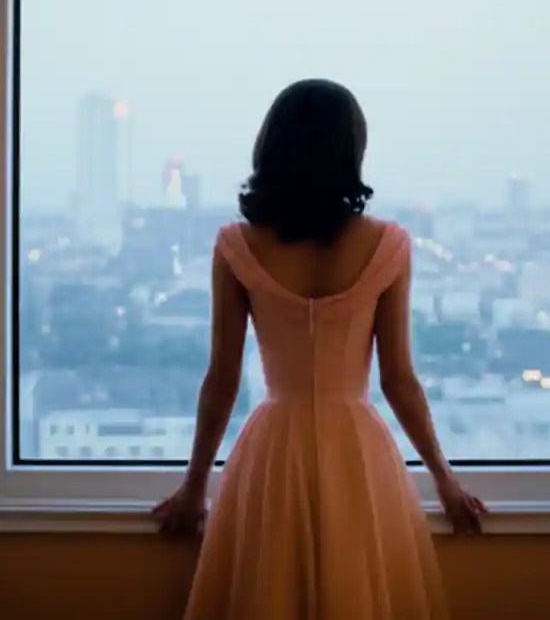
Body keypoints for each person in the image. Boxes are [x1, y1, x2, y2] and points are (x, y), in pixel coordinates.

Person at [153, 79, 486, 619]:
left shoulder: (237, 246)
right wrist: (444, 480)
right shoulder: (389, 245)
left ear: (273, 147)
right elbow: (398, 378)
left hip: (272, 452)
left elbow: (222, 378)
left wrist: (194, 488)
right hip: (356, 451)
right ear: (350, 151)